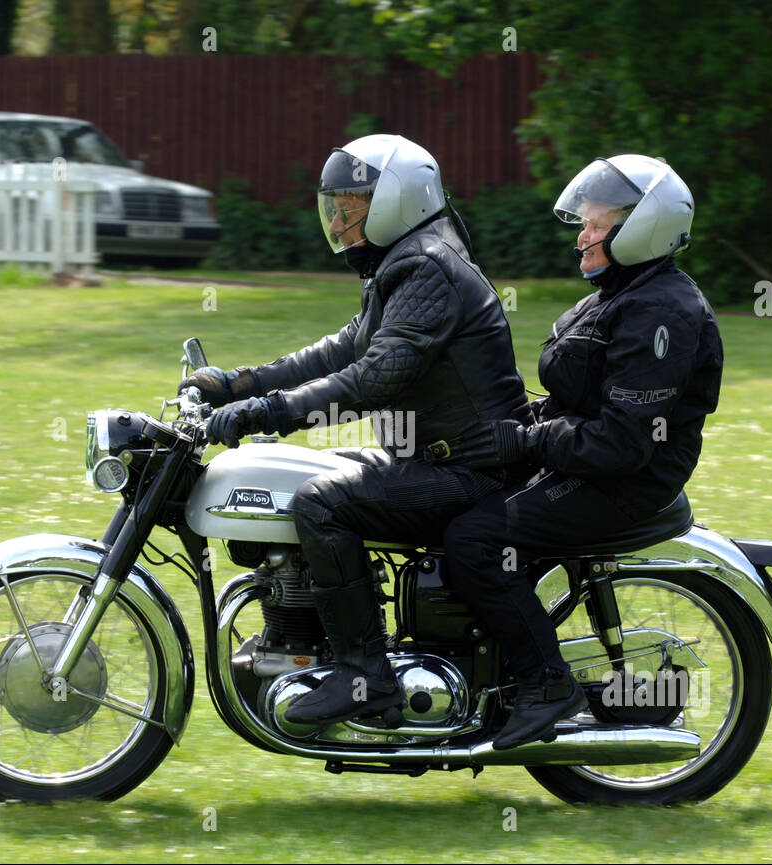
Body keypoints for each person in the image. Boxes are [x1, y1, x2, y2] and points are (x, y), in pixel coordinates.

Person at [179, 134, 530, 726]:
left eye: (352, 207)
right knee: (317, 476)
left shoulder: (426, 268)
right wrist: (241, 384)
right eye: (333, 207)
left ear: (398, 202)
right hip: (440, 458)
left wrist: (266, 414)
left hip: (469, 470)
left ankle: (366, 675)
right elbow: (341, 351)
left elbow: (374, 379)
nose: (338, 222)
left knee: (323, 506)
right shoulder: (408, 261)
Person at [436, 154, 723, 750]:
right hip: (585, 462)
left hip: (623, 481)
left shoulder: (662, 312)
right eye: (584, 224)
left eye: (597, 224)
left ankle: (546, 685)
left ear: (642, 226)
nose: (582, 238)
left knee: (474, 541)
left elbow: (622, 439)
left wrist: (526, 438)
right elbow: (575, 403)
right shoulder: (618, 296)